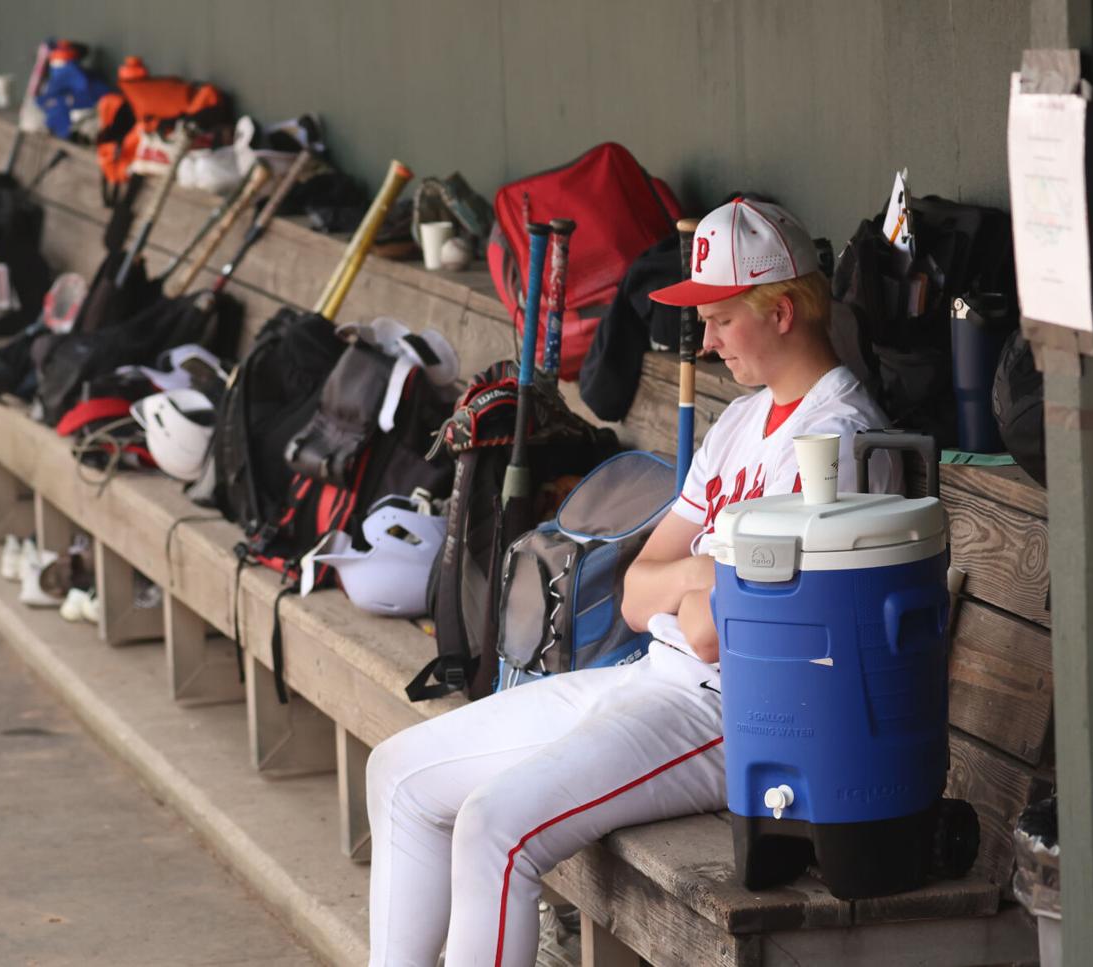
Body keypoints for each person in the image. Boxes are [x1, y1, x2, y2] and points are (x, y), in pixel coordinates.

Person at [365, 197, 900, 967]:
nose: (707, 343)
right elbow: (636, 591)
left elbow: (723, 633)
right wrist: (702, 575)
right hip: (651, 675)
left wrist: (690, 590)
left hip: (739, 715)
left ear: (781, 311)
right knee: (400, 776)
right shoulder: (741, 422)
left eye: (720, 319)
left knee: (495, 826)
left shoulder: (835, 440)